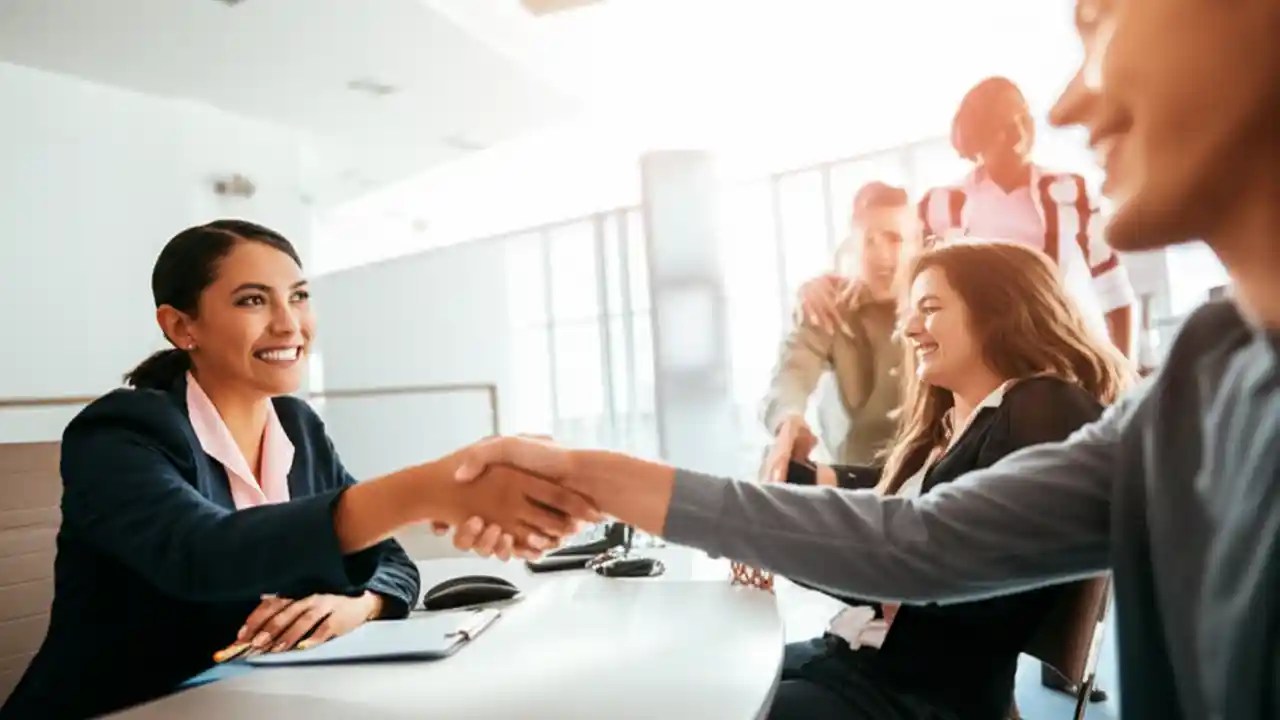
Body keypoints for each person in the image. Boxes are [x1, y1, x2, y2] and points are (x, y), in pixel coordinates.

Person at [440, 0, 1280, 715]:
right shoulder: (1201, 378)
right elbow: (913, 540)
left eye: (1100, 21)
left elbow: (915, 564)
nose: (1065, 106)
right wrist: (589, 473)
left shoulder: (1064, 401)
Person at [0, 220, 598, 719]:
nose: (289, 324)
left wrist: (357, 606)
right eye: (253, 300)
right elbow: (203, 553)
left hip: (258, 699)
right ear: (183, 326)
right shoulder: (121, 432)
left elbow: (387, 560)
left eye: (299, 295)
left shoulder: (297, 426)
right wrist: (426, 489)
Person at [769, 240, 1129, 720]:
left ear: (997, 312)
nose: (909, 326)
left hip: (918, 701)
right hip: (864, 667)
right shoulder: (970, 420)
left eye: (930, 309)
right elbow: (910, 495)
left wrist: (772, 536)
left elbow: (951, 569)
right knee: (719, 679)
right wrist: (806, 475)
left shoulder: (1044, 406)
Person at [799, 77, 1136, 361]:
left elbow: (1115, 292)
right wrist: (818, 285)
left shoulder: (1069, 191)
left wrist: (1126, 381)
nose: (1018, 134)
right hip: (985, 368)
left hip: (1062, 358)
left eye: (1023, 119)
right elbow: (888, 258)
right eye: (1003, 126)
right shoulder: (941, 205)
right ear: (977, 137)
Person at [760, 181, 917, 481]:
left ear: (918, 242)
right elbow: (790, 374)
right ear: (853, 244)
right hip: (857, 485)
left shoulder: (942, 306)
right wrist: (788, 419)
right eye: (869, 240)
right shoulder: (829, 307)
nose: (881, 255)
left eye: (894, 239)